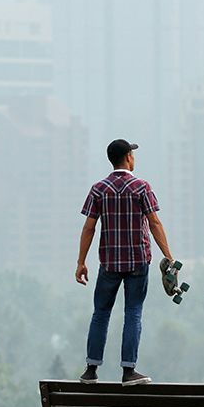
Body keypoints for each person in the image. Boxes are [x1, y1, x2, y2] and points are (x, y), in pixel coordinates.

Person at [75, 139, 175, 385]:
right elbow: (154, 223)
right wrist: (169, 256)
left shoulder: (99, 189)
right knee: (133, 312)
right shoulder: (141, 187)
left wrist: (81, 262)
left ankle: (91, 370)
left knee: (101, 313)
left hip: (109, 262)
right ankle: (129, 371)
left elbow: (89, 228)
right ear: (129, 157)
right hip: (138, 261)